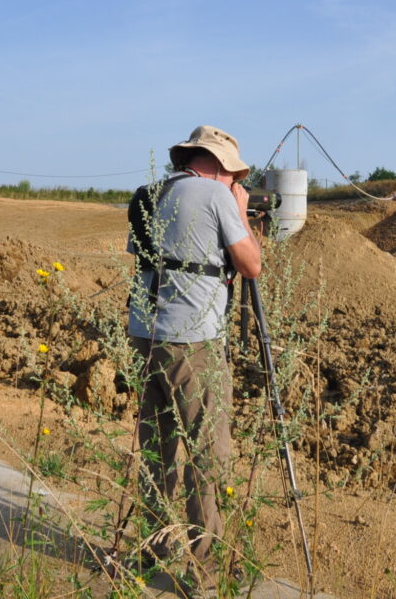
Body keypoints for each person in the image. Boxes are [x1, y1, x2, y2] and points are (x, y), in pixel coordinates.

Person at [127, 125, 261, 590]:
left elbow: (150, 256)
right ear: (220, 165)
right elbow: (252, 266)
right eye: (234, 175)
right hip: (192, 341)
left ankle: (151, 549)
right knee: (207, 451)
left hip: (144, 334)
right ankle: (207, 569)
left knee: (156, 447)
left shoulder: (147, 193)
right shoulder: (217, 195)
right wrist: (240, 214)